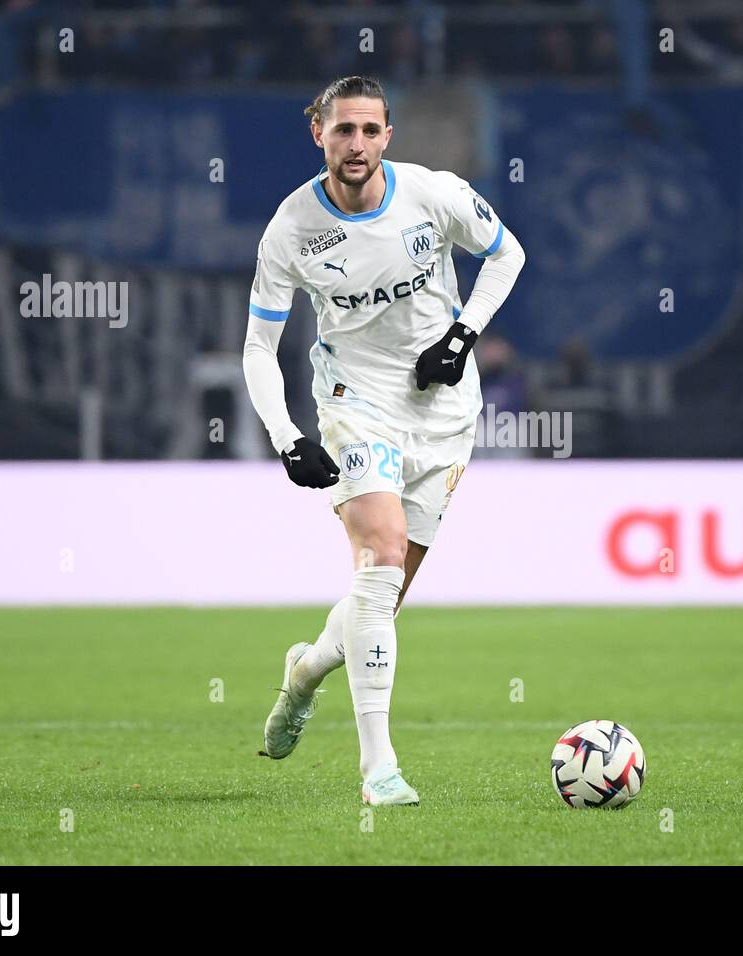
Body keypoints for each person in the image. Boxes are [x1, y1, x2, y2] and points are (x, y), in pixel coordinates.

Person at [242, 76, 526, 805]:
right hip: (354, 403)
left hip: (444, 413)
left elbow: (508, 255)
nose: (357, 145)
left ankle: (304, 673)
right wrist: (286, 436)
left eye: (370, 131)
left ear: (388, 136)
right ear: (319, 134)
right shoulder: (292, 227)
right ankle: (379, 769)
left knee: (383, 596)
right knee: (381, 558)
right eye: (344, 131)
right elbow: (257, 347)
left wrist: (462, 338)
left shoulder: (433, 195)